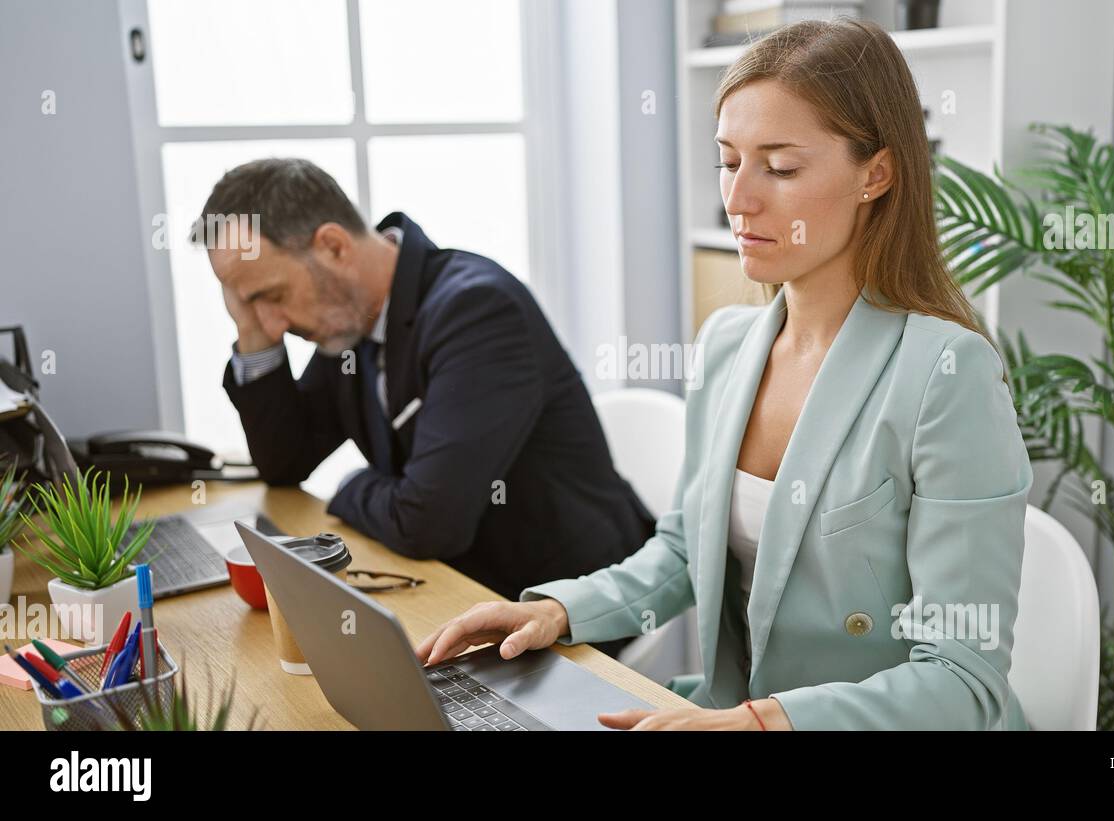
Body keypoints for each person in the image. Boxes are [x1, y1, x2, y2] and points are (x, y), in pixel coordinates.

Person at [417, 19, 1034, 730]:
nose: (738, 199)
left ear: (878, 174)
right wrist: (557, 610)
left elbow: (963, 680)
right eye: (728, 160)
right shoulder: (726, 345)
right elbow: (683, 550)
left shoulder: (945, 374)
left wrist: (764, 721)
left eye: (780, 167)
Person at [197, 159, 654, 662]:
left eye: (272, 296)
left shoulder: (477, 310)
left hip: (561, 607)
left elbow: (428, 522)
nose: (273, 323)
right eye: (247, 303)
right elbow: (285, 463)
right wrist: (252, 334)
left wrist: (350, 487)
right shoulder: (345, 323)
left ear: (333, 246)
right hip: (457, 589)